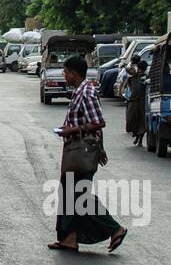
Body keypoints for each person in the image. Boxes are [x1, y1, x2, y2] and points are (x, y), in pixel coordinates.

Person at [50, 55, 128, 254]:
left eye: (66, 71)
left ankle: (115, 228)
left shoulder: (87, 92)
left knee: (79, 196)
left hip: (82, 153)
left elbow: (98, 122)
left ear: (74, 73)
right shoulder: (79, 91)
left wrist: (72, 131)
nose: (63, 75)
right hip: (75, 150)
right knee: (68, 194)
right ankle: (68, 238)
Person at [125, 56, 148, 148]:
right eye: (139, 69)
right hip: (133, 101)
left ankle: (140, 139)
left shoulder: (146, 78)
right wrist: (132, 62)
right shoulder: (134, 76)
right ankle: (136, 136)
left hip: (142, 102)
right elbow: (127, 69)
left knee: (141, 122)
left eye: (141, 69)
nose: (139, 71)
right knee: (131, 119)